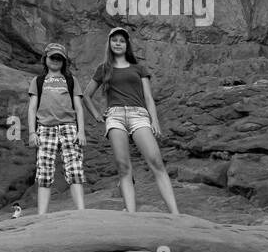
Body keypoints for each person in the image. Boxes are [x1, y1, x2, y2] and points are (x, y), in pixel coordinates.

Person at [82, 26, 179, 215]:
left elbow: (148, 97)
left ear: (127, 45)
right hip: (115, 117)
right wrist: (96, 114)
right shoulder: (103, 69)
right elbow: (86, 95)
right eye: (114, 40)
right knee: (124, 167)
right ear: (109, 44)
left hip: (139, 115)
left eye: (122, 40)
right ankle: (132, 215)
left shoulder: (138, 68)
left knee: (156, 162)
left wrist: (155, 120)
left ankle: (175, 214)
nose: (118, 43)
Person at [27, 41, 86, 214]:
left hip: (68, 127)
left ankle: (81, 212)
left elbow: (79, 107)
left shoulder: (70, 80)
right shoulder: (38, 81)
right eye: (52, 57)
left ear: (64, 61)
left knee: (75, 169)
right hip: (45, 128)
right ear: (45, 59)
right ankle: (42, 215)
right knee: (44, 172)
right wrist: (32, 132)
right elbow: (32, 108)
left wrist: (81, 131)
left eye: (59, 58)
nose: (55, 61)